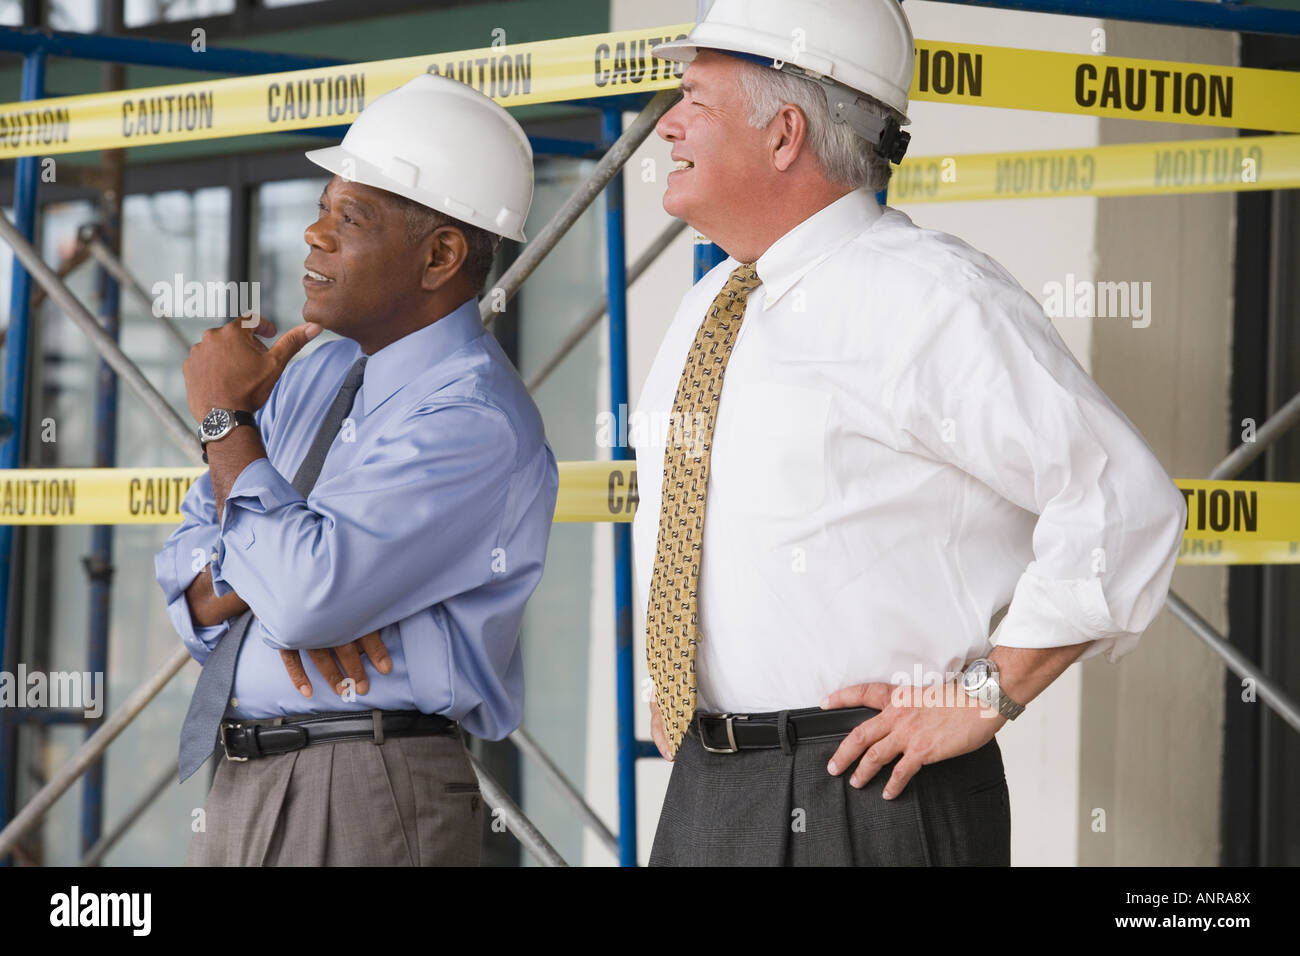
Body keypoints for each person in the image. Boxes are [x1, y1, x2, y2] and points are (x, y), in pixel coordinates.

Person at [633, 0, 1187, 866]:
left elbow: (1123, 503)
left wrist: (986, 697)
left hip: (868, 787)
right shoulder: (712, 306)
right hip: (711, 781)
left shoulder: (931, 297)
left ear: (784, 134)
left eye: (695, 101)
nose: (665, 126)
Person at [155, 73, 558, 866]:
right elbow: (184, 574)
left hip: (366, 786)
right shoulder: (306, 374)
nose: (315, 235)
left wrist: (222, 422)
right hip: (246, 778)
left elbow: (303, 598)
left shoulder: (473, 420)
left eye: (352, 216)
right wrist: (286, 577)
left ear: (440, 256)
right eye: (319, 208)